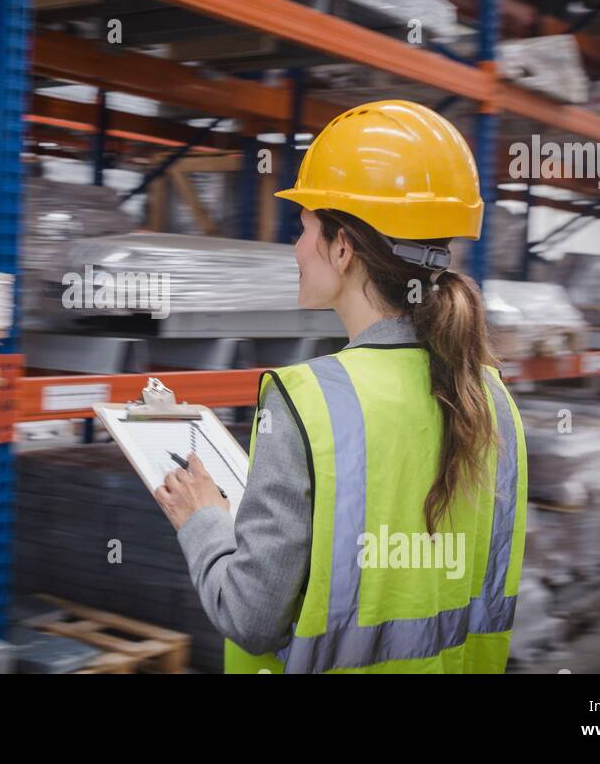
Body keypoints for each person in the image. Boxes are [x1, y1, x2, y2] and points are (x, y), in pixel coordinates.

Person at [153, 100, 529, 674]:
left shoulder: (308, 401)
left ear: (343, 246)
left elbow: (251, 617)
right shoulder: (491, 397)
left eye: (304, 229)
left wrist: (202, 519)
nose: (297, 250)